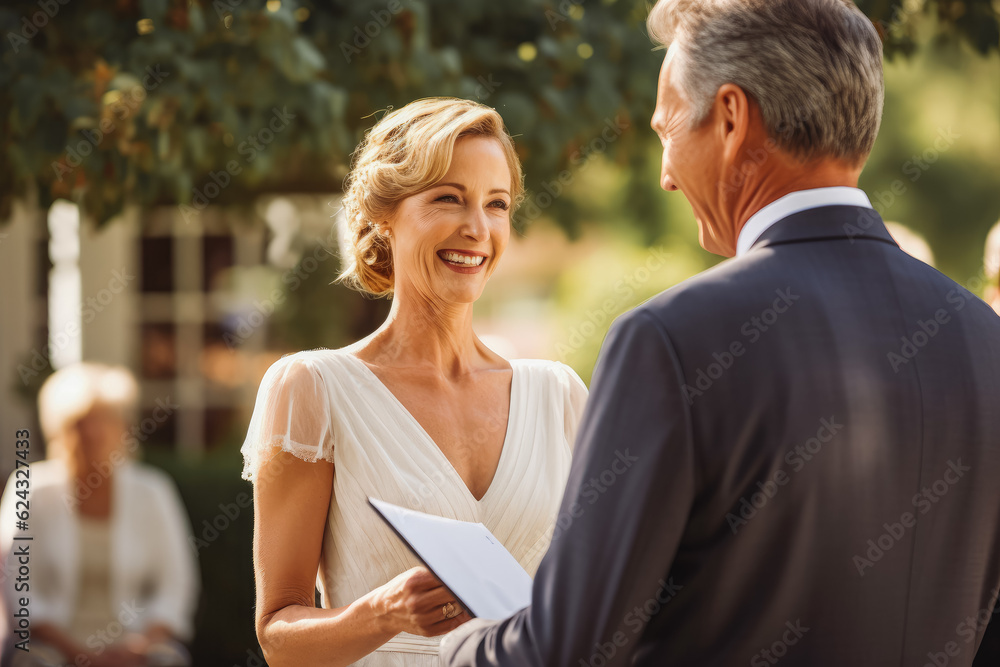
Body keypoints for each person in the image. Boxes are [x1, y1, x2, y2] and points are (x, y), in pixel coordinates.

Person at [440, 0, 1000, 665]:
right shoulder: (981, 337)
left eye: (666, 129)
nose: (666, 174)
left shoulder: (669, 340)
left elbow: (565, 651)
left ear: (731, 117)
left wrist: (452, 648)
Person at [241, 97, 588, 667]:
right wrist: (383, 613)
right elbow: (279, 636)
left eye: (496, 204)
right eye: (448, 198)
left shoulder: (559, 396)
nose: (477, 228)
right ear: (385, 214)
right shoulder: (312, 389)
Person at [0, 363, 199, 667]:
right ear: (57, 430)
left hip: (136, 649)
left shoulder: (154, 490)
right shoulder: (30, 489)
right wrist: (78, 654)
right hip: (52, 649)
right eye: (79, 422)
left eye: (104, 421)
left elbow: (176, 585)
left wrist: (138, 646)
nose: (92, 434)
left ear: (123, 428)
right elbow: (18, 588)